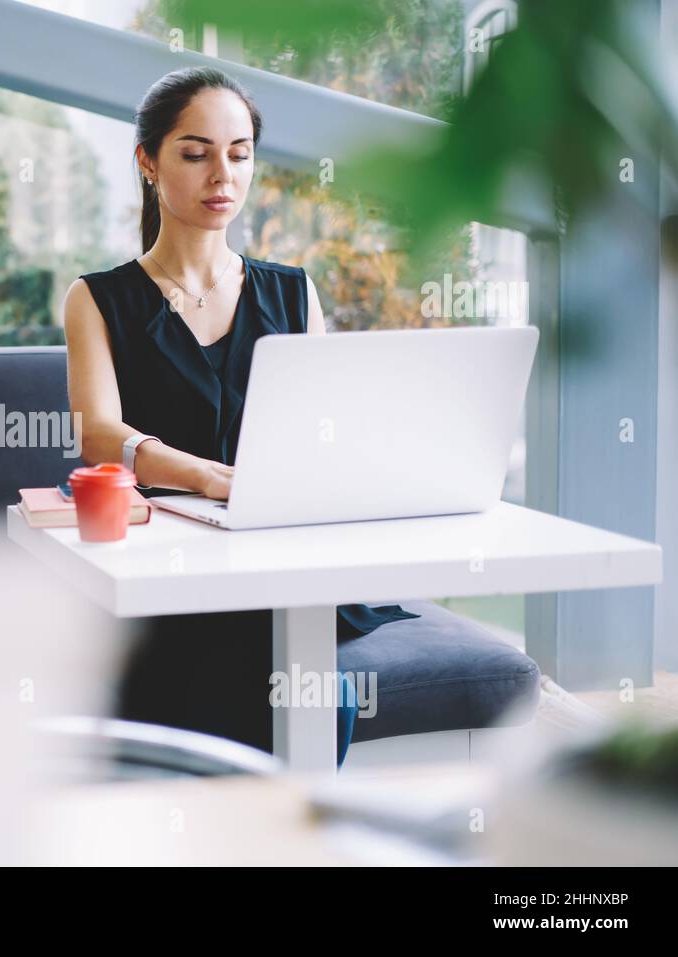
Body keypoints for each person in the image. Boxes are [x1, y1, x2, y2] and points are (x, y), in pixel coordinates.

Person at [62, 66, 419, 767]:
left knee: (311, 686)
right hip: (165, 564)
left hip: (275, 553)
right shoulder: (98, 299)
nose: (220, 173)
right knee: (252, 683)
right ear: (148, 163)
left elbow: (323, 428)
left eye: (239, 152)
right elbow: (99, 434)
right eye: (195, 154)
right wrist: (208, 478)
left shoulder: (292, 292)